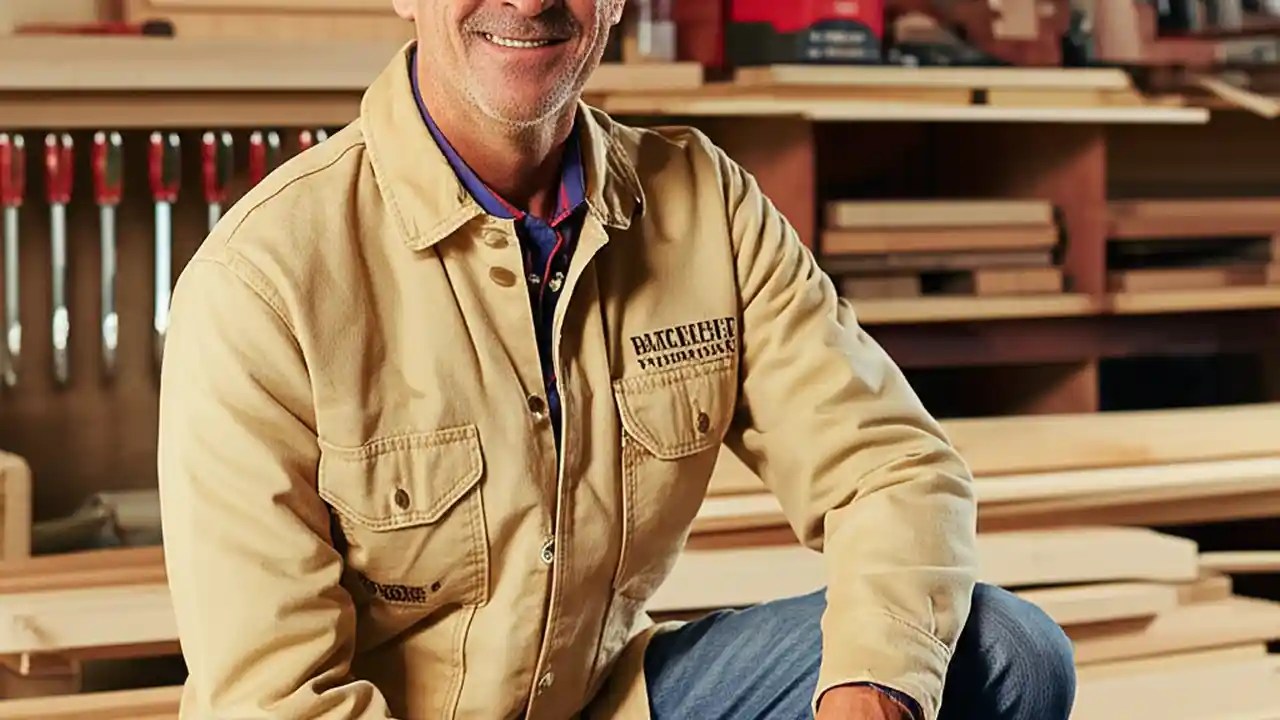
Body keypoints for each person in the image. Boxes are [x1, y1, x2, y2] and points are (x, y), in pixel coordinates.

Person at [156, 0, 1076, 718]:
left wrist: (873, 696)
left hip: (606, 704)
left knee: (1002, 654)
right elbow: (271, 702)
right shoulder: (263, 283)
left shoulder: (703, 204)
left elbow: (892, 470)